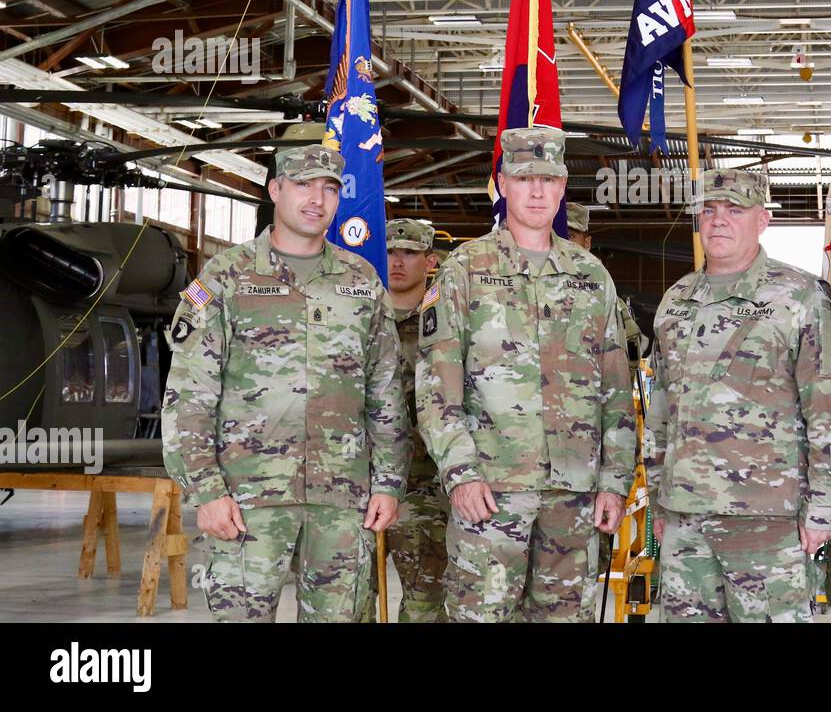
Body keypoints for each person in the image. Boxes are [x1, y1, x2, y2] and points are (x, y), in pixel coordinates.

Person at [162, 145, 409, 623]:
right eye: (303, 185)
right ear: (276, 190)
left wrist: (389, 483)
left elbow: (386, 392)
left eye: (330, 188)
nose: (317, 199)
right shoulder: (227, 277)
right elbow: (189, 395)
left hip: (343, 499)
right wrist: (206, 490)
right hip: (246, 499)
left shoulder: (361, 280)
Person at [416, 126, 635, 622]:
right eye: (523, 177)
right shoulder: (465, 269)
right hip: (491, 491)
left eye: (549, 178)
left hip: (574, 494)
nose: (537, 191)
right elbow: (436, 386)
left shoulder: (590, 274)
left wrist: (615, 480)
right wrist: (460, 474)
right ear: (502, 184)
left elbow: (616, 387)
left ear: (562, 188)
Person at [648, 168, 831, 623]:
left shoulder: (799, 296)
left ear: (762, 220)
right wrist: (656, 497)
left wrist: (823, 505)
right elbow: (661, 406)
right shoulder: (676, 300)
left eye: (735, 211)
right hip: (685, 515)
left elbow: (829, 409)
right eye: (709, 210)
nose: (719, 221)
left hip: (768, 518)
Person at [382, 218, 452, 622]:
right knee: (347, 601)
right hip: (361, 479)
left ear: (429, 261)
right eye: (391, 251)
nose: (397, 261)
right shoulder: (361, 312)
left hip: (426, 483)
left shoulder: (445, 317)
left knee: (426, 600)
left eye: (409, 252)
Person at [564, 202, 645, 370]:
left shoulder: (605, 297)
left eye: (571, 236)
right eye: (558, 237)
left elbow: (630, 351)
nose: (564, 244)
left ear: (587, 243)